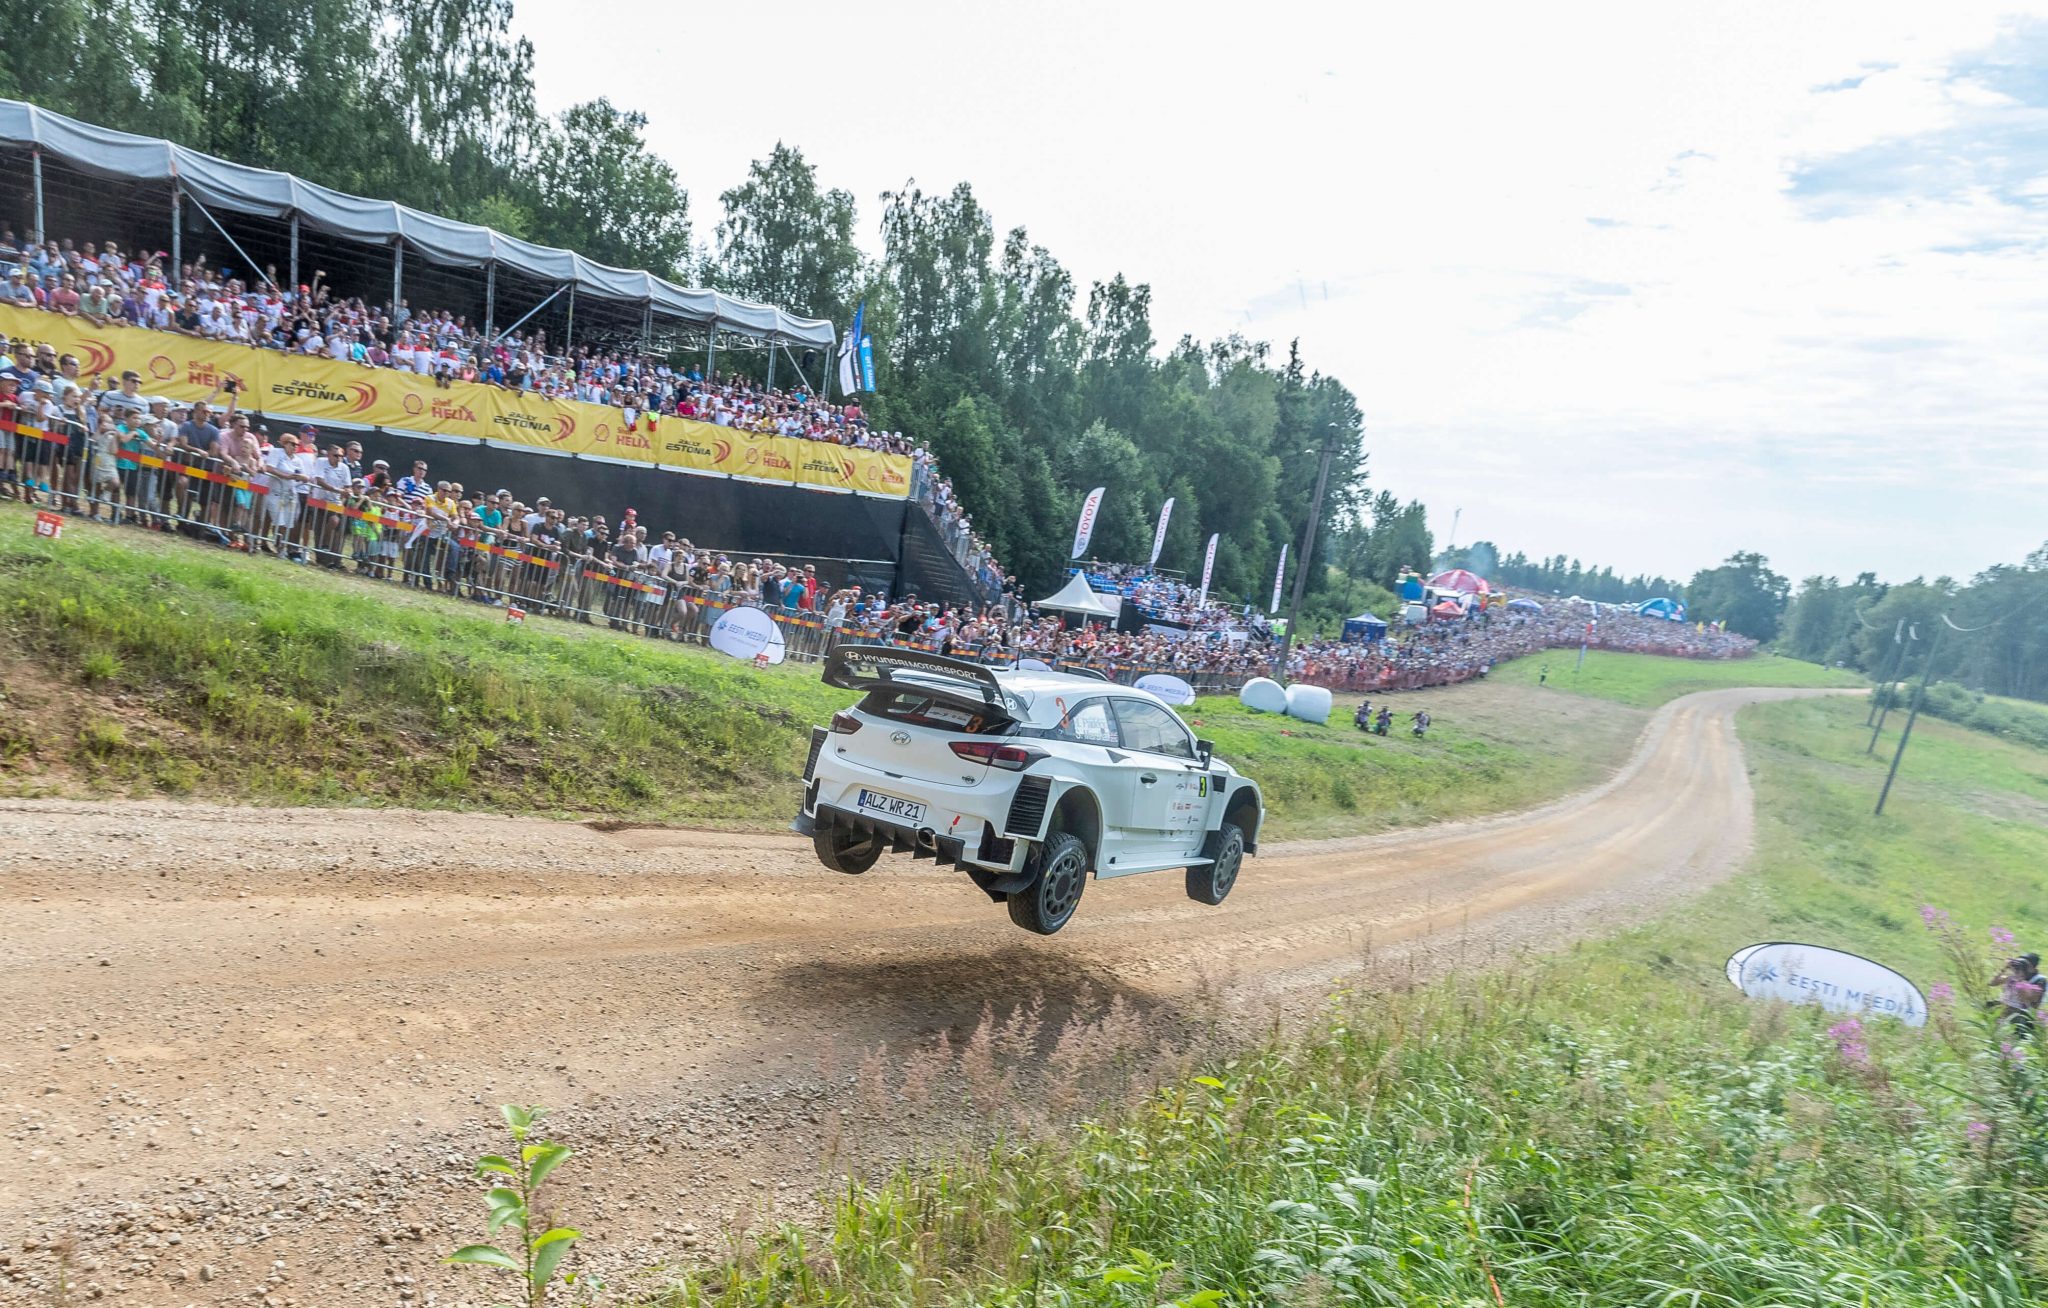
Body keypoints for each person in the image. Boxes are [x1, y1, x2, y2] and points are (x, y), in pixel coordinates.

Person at [1998, 953, 2044, 1036]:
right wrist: (2005, 968)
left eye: (2024, 964)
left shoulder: (2040, 979)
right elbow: (1994, 982)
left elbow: (2033, 1002)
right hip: (2010, 1011)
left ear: (2031, 966)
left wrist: (2020, 982)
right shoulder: (2017, 975)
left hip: (2027, 1017)